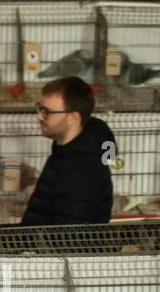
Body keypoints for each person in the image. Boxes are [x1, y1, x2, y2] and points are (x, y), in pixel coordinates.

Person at [20, 77, 114, 226]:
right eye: (39, 108)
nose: (39, 116)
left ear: (72, 118)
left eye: (46, 112)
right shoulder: (64, 149)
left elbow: (69, 236)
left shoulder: (82, 168)